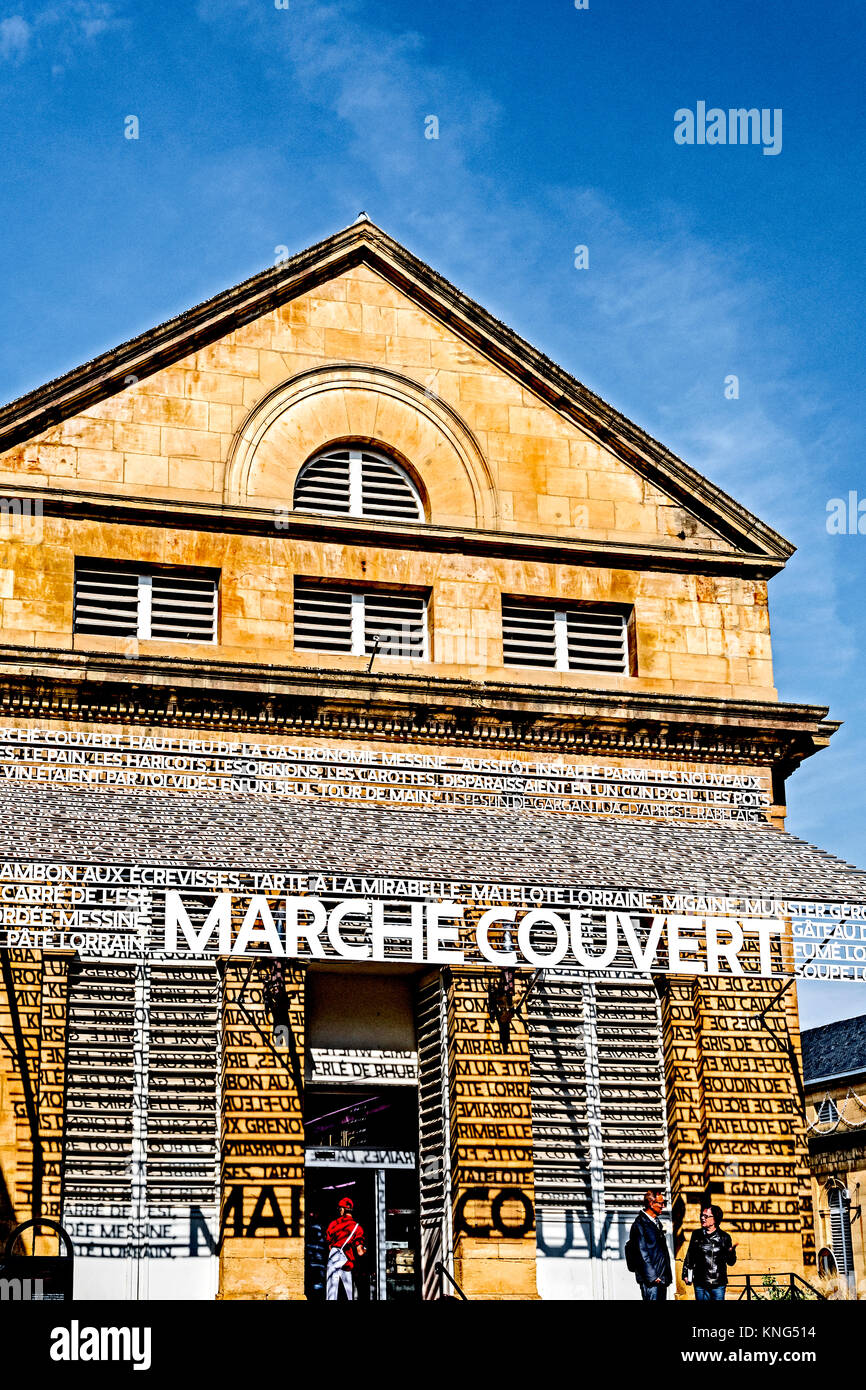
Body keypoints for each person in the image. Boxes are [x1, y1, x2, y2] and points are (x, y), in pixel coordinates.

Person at [682, 1204, 737, 1300]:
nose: (703, 1218)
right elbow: (690, 1255)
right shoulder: (696, 1234)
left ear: (715, 1219)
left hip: (718, 1283)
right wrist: (685, 1273)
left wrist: (731, 1252)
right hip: (700, 1282)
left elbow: (731, 1262)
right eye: (702, 1215)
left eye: (706, 1216)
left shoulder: (724, 1237)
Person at [628, 1188, 673, 1300]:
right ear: (652, 1204)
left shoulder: (656, 1222)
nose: (663, 1206)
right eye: (661, 1203)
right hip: (651, 1280)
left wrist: (666, 1275)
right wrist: (653, 1276)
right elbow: (641, 1253)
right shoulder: (640, 1224)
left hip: (661, 1277)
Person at [325, 1196, 365, 1302]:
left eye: (339, 1209)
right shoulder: (357, 1227)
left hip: (334, 1257)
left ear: (342, 1209)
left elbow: (329, 1246)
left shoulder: (333, 1224)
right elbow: (360, 1252)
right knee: (349, 1292)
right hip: (346, 1259)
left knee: (331, 1292)